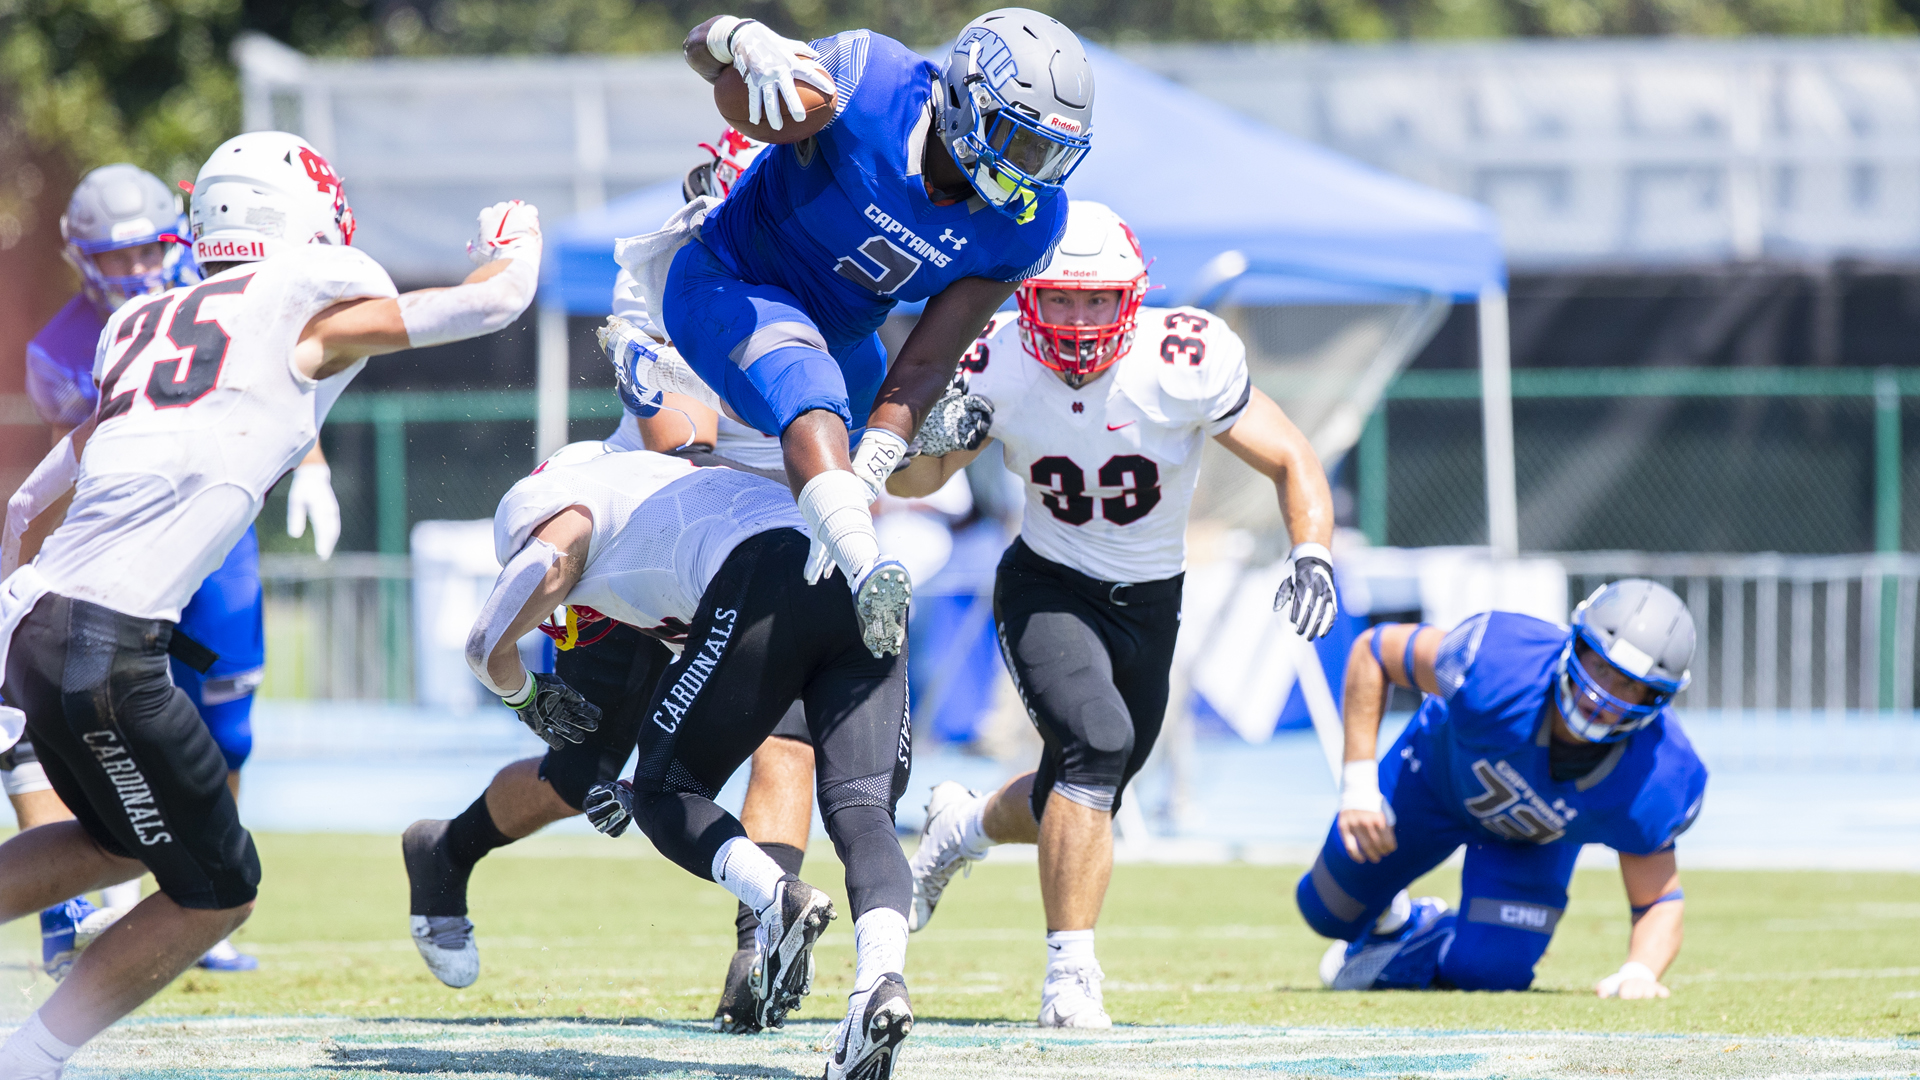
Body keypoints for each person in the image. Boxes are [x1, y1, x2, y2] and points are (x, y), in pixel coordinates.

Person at [0, 130, 542, 1079]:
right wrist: (517, 236)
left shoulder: (143, 321)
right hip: (107, 637)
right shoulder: (301, 316)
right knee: (218, 891)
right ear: (289, 211)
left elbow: (83, 441)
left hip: (33, 620)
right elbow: (494, 300)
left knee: (117, 843)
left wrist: (17, 511)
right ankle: (31, 1058)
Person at [892, 201, 1341, 1027]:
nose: (1076, 317)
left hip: (1152, 597)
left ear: (1131, 299)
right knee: (1097, 748)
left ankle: (962, 826)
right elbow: (911, 486)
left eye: (1096, 299)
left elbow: (1290, 455)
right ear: (1030, 294)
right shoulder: (994, 358)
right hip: (1049, 583)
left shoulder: (1184, 356)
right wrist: (926, 440)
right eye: (1060, 297)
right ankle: (1071, 977)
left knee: (1091, 785)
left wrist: (1311, 549)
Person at [603, 7, 1094, 662]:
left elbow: (927, 360)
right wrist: (735, 37)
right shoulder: (875, 86)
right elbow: (713, 69)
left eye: (1047, 152)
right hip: (731, 285)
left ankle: (666, 377)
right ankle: (868, 570)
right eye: (1016, 139)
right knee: (809, 392)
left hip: (846, 339)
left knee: (893, 460)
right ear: (966, 98)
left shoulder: (1030, 224)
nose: (1028, 169)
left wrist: (882, 457)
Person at [458, 449, 915, 1080]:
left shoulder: (563, 508)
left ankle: (774, 900)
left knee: (662, 791)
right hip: (856, 569)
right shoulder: (670, 495)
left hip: (766, 573)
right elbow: (728, 686)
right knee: (865, 814)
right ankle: (879, 982)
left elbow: (486, 641)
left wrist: (523, 695)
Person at [12, 162, 347, 975]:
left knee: (227, 725)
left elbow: (287, 379)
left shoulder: (219, 289)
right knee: (60, 729)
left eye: (144, 251)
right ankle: (81, 907)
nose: (131, 272)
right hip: (122, 545)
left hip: (220, 535)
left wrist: (309, 468)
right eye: (111, 256)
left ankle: (199, 892)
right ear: (80, 256)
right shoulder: (58, 349)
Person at [1299, 579, 1706, 997]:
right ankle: (1393, 921)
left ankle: (1420, 938)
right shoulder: (1499, 660)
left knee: (1490, 972)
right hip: (1431, 782)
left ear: (1656, 697)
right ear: (1577, 644)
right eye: (1601, 667)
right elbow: (1375, 650)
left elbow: (1658, 900)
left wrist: (1639, 970)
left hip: (1530, 843)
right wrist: (1358, 788)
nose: (1601, 695)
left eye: (1628, 685)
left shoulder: (1657, 772)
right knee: (1327, 910)